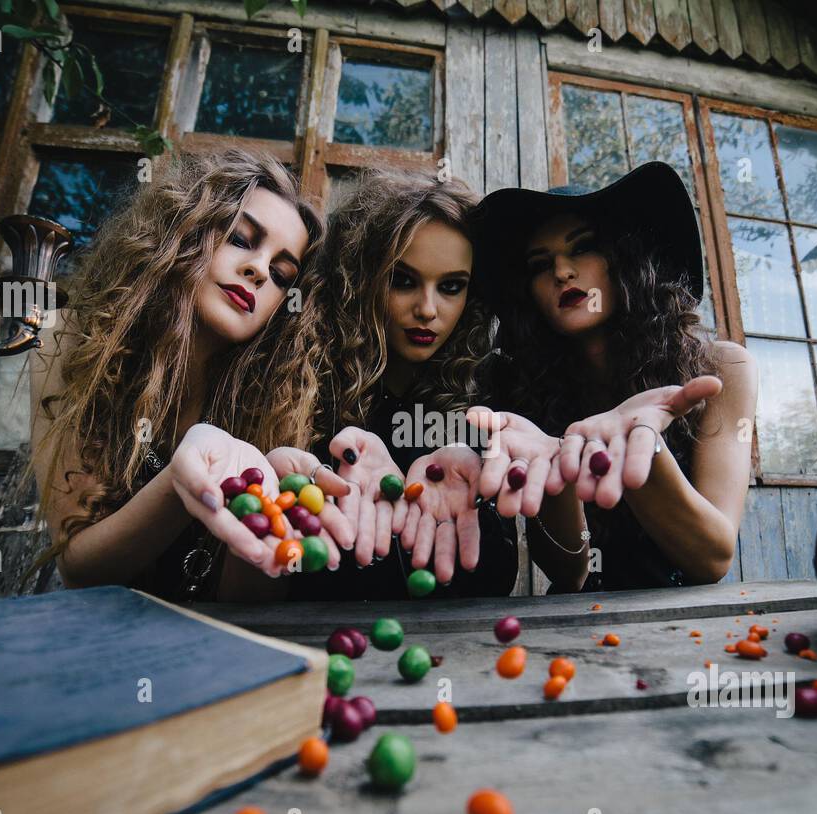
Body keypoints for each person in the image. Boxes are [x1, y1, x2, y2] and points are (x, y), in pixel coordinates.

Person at [30, 147, 353, 602]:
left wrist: (266, 507)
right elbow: (80, 569)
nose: (259, 271)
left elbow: (245, 606)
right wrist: (183, 483)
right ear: (181, 233)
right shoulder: (68, 342)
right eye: (240, 240)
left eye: (282, 274)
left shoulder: (275, 390)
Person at [470, 162, 757, 591]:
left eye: (582, 247)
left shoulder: (721, 368)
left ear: (625, 257)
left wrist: (638, 444)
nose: (562, 271)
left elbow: (712, 556)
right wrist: (556, 473)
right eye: (539, 264)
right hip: (580, 621)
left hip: (692, 618)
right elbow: (570, 571)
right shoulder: (516, 389)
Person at [290, 168, 523, 599]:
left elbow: (503, 575)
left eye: (451, 286)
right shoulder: (301, 390)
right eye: (403, 280)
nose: (428, 310)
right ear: (361, 280)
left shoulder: (491, 400)